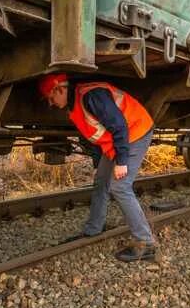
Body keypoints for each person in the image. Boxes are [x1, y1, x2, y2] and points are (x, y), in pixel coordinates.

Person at [38, 73, 158, 262]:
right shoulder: (75, 104)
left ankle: (146, 243)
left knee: (120, 187)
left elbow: (119, 126)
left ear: (60, 89)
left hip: (135, 133)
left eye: (51, 98)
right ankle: (93, 229)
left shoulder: (91, 96)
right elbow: (95, 137)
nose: (51, 104)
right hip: (116, 141)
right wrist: (99, 164)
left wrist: (121, 161)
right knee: (101, 181)